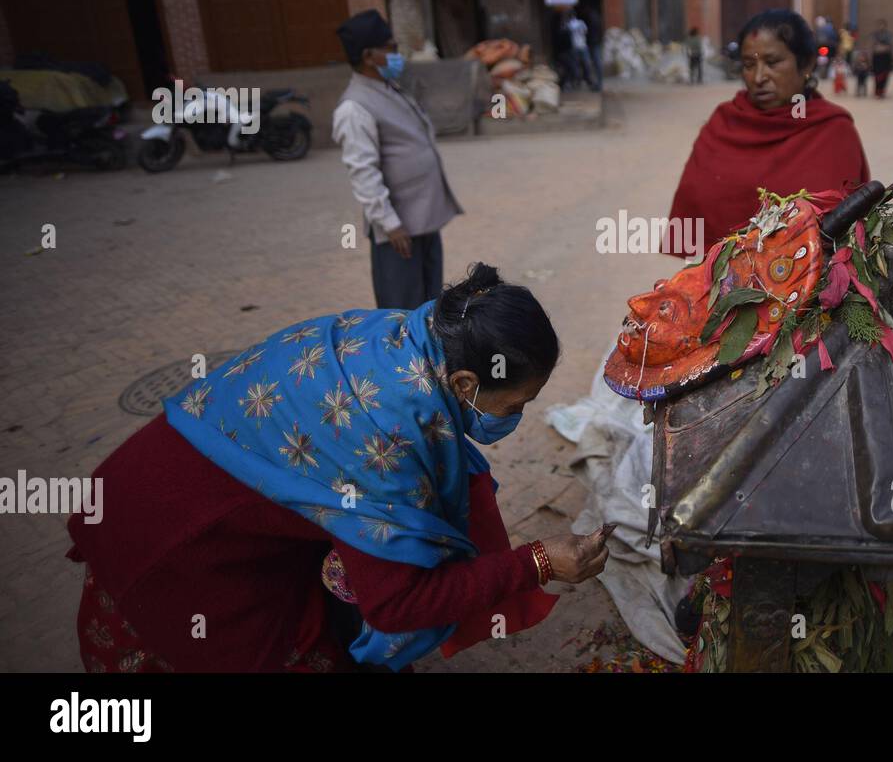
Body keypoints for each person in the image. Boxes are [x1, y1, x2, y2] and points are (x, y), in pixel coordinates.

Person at [65, 265, 610, 672]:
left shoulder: (406, 337)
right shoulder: (388, 437)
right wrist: (538, 561)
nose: (516, 416)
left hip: (152, 481)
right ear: (466, 385)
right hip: (174, 543)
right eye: (516, 405)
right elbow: (399, 603)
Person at [665, 8, 871, 254]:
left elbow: (849, 230)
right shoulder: (724, 123)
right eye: (749, 65)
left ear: (806, 64)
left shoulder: (834, 131)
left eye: (772, 63)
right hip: (722, 285)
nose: (758, 77)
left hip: (813, 287)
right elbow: (695, 204)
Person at [332, 9, 462, 310]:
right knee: (402, 312)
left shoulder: (388, 89)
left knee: (430, 307)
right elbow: (363, 172)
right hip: (398, 230)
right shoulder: (354, 107)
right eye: (390, 47)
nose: (396, 53)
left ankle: (429, 358)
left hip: (422, 219)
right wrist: (389, 223)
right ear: (368, 55)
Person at [565, 8, 599, 91]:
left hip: (576, 47)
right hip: (582, 46)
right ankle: (583, 80)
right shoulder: (580, 23)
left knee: (578, 66)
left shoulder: (569, 24)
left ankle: (580, 81)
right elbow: (585, 32)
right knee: (585, 65)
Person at [581, 4, 605, 90]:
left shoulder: (591, 18)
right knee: (595, 62)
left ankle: (597, 83)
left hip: (593, 43)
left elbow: (592, 32)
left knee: (595, 62)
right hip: (595, 42)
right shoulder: (595, 17)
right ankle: (596, 83)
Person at [870, 20, 893, 98]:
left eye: (883, 25)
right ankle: (877, 91)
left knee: (885, 75)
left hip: (886, 58)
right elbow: (872, 46)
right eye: (880, 25)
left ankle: (882, 91)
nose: (881, 26)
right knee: (877, 75)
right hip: (877, 58)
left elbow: (891, 46)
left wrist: (885, 48)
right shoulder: (875, 35)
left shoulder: (889, 35)